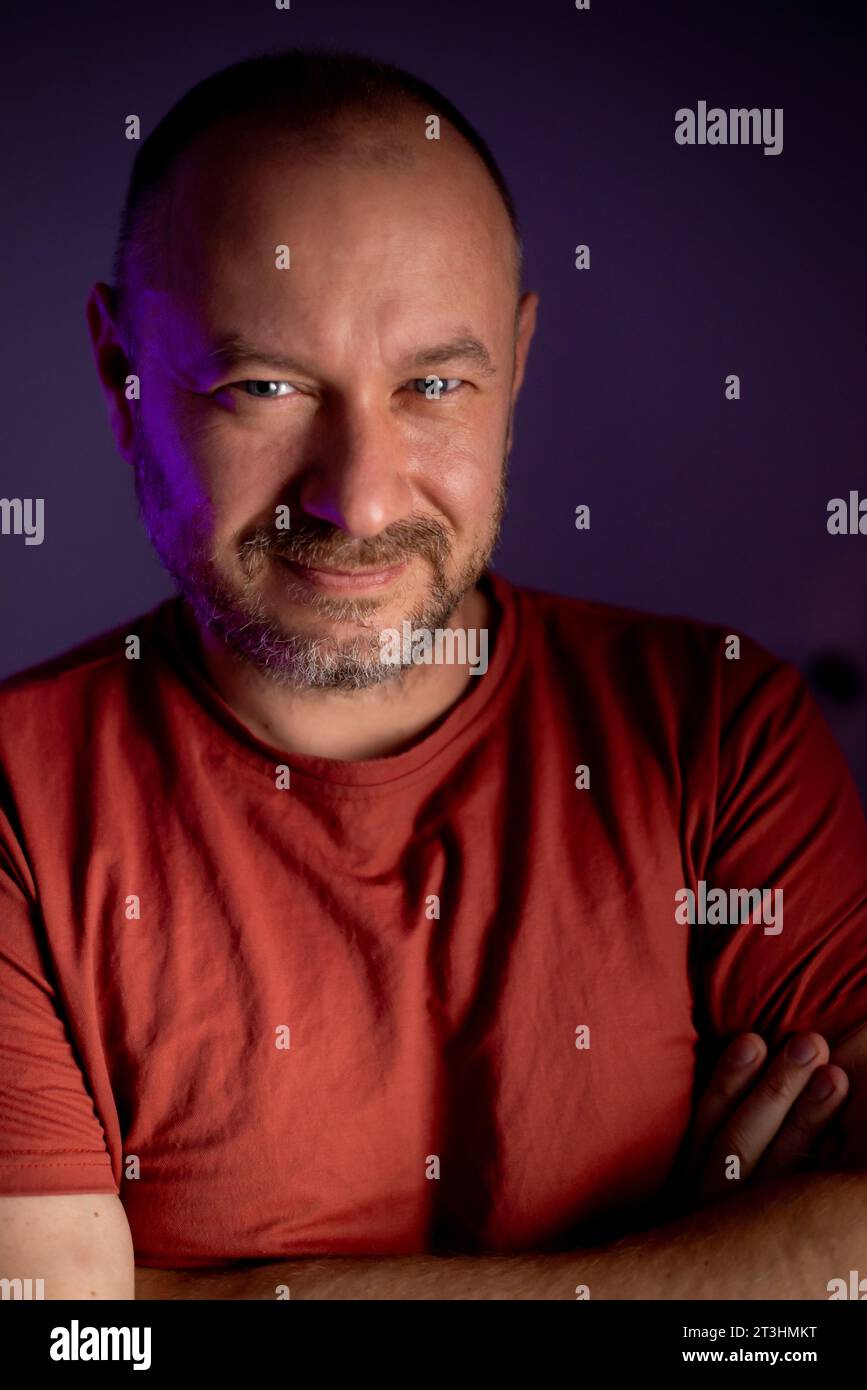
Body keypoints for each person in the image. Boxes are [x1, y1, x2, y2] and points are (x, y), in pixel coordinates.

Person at [1, 49, 866, 1302]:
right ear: (120, 372)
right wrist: (696, 1271)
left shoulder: (722, 728)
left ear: (516, 366)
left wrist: (204, 1296)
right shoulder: (19, 808)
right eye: (265, 385)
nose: (355, 498)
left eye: (435, 385)